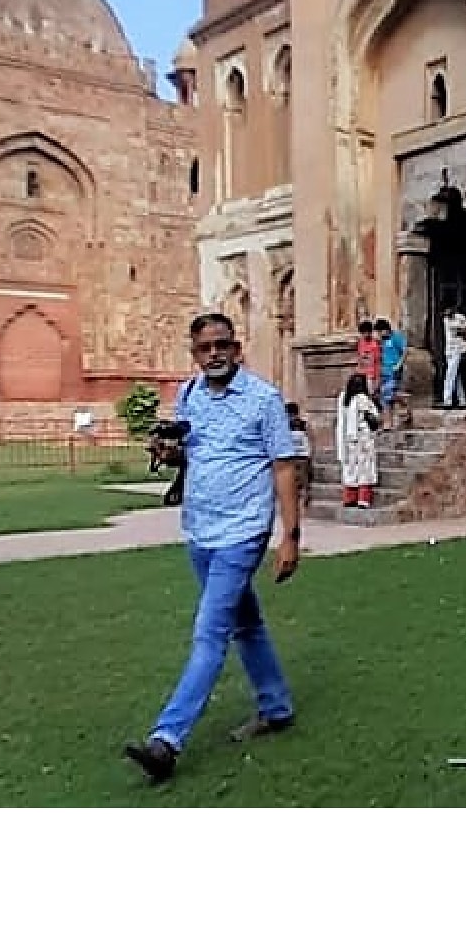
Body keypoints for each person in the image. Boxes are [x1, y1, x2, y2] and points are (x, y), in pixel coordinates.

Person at [123, 311, 302, 785]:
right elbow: (193, 452)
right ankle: (276, 705)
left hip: (243, 533)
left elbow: (284, 467)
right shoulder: (188, 396)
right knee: (246, 624)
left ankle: (167, 739)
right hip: (201, 530)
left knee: (210, 632)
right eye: (205, 348)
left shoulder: (263, 400)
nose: (215, 354)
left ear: (237, 348)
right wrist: (168, 452)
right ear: (195, 353)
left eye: (222, 345)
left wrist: (291, 536)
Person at [335, 371, 383, 508]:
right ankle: (363, 499)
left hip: (346, 440)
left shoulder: (344, 398)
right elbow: (374, 416)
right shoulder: (363, 398)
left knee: (350, 469)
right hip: (362, 439)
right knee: (364, 469)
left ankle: (349, 498)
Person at [441, 307, 466, 409]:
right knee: (456, 376)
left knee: (450, 374)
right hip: (450, 349)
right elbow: (453, 330)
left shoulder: (460, 318)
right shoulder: (446, 320)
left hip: (458, 349)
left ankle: (447, 399)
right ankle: (462, 400)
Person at [376, 317, 408, 412]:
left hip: (394, 370)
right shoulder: (382, 340)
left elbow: (405, 351)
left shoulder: (396, 337)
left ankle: (404, 403)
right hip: (384, 370)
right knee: (384, 396)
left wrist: (398, 364)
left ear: (386, 329)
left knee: (389, 392)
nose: (379, 334)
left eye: (380, 331)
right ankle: (388, 421)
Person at [355, 314, 383, 399]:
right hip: (361, 374)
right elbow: (359, 357)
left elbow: (377, 362)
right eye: (363, 332)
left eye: (367, 332)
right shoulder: (360, 342)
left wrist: (377, 378)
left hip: (371, 375)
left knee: (371, 397)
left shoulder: (375, 344)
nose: (365, 334)